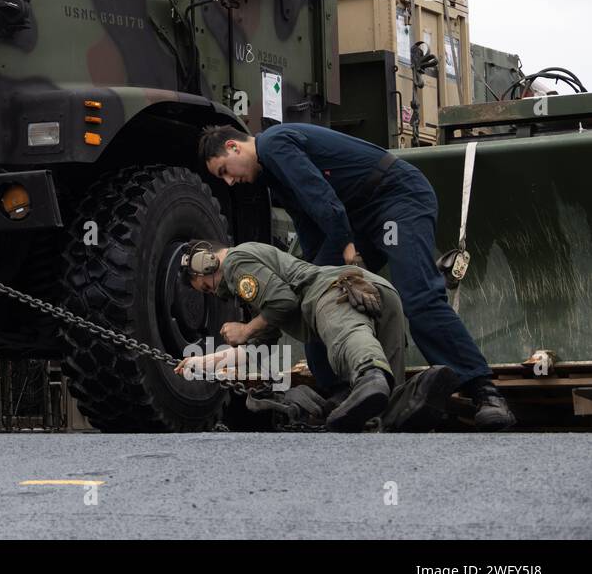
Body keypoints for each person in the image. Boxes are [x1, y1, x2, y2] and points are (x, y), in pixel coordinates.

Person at [197, 123, 515, 430]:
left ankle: (483, 391)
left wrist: (344, 242)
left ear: (233, 146)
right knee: (314, 296)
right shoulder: (269, 176)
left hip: (394, 198)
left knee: (418, 297)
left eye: (224, 170)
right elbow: (308, 223)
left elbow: (319, 193)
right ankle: (340, 391)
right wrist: (314, 273)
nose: (229, 182)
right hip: (355, 217)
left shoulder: (273, 144)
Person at [175, 240, 458, 431]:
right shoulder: (256, 276)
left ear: (208, 263)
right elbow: (261, 344)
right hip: (380, 291)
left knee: (351, 341)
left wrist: (245, 328)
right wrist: (202, 363)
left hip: (334, 290)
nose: (213, 292)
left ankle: (371, 374)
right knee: (383, 399)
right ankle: (418, 394)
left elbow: (284, 301)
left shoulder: (236, 263)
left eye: (207, 286)